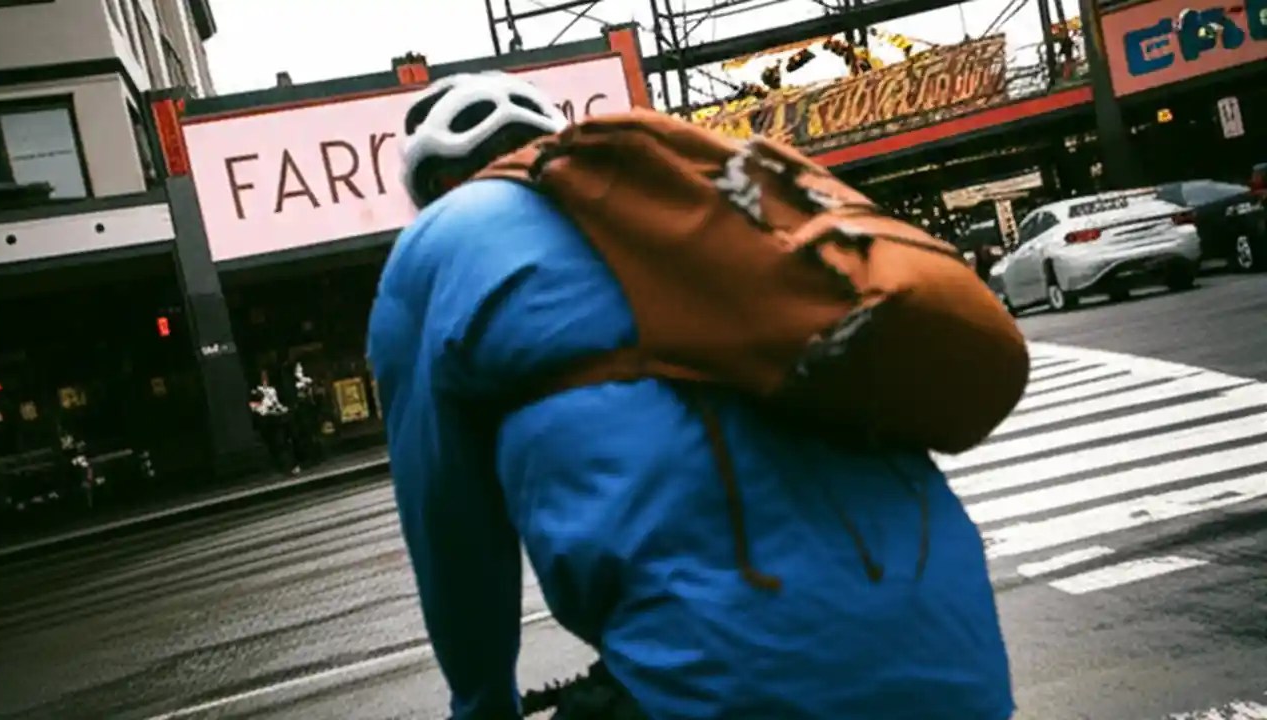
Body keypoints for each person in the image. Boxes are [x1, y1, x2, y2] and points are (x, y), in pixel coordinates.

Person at [367, 72, 1015, 720]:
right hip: (954, 647)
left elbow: (451, 532)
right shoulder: (683, 210)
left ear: (436, 188)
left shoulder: (434, 248)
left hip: (728, 683)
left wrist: (481, 704)